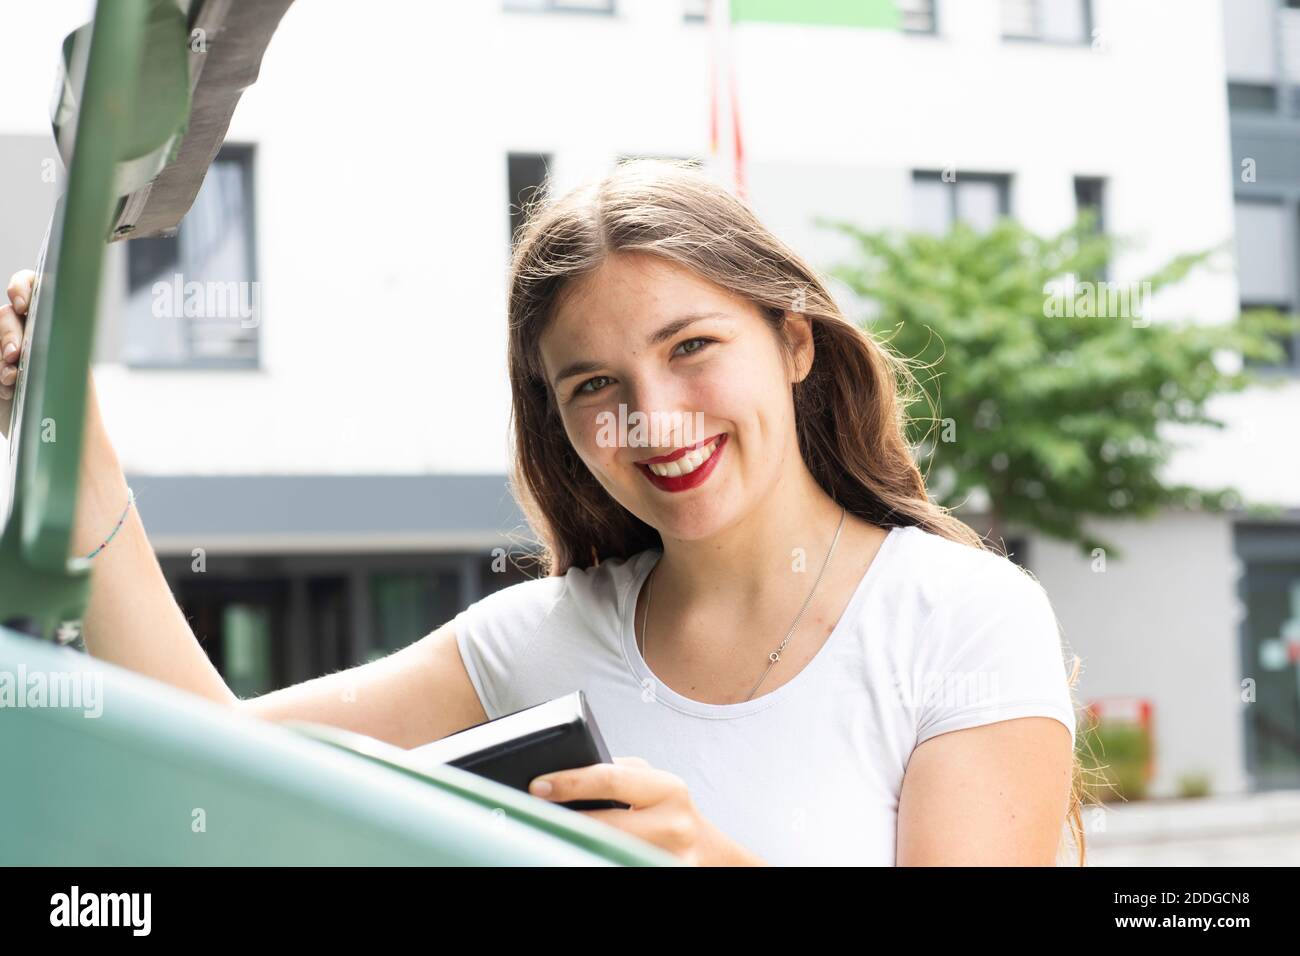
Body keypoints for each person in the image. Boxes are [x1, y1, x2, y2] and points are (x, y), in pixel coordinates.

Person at [0, 159, 1084, 867]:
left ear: (793, 343)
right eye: (593, 386)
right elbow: (206, 771)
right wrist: (72, 446)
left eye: (691, 347)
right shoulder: (540, 637)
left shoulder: (961, 619)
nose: (652, 419)